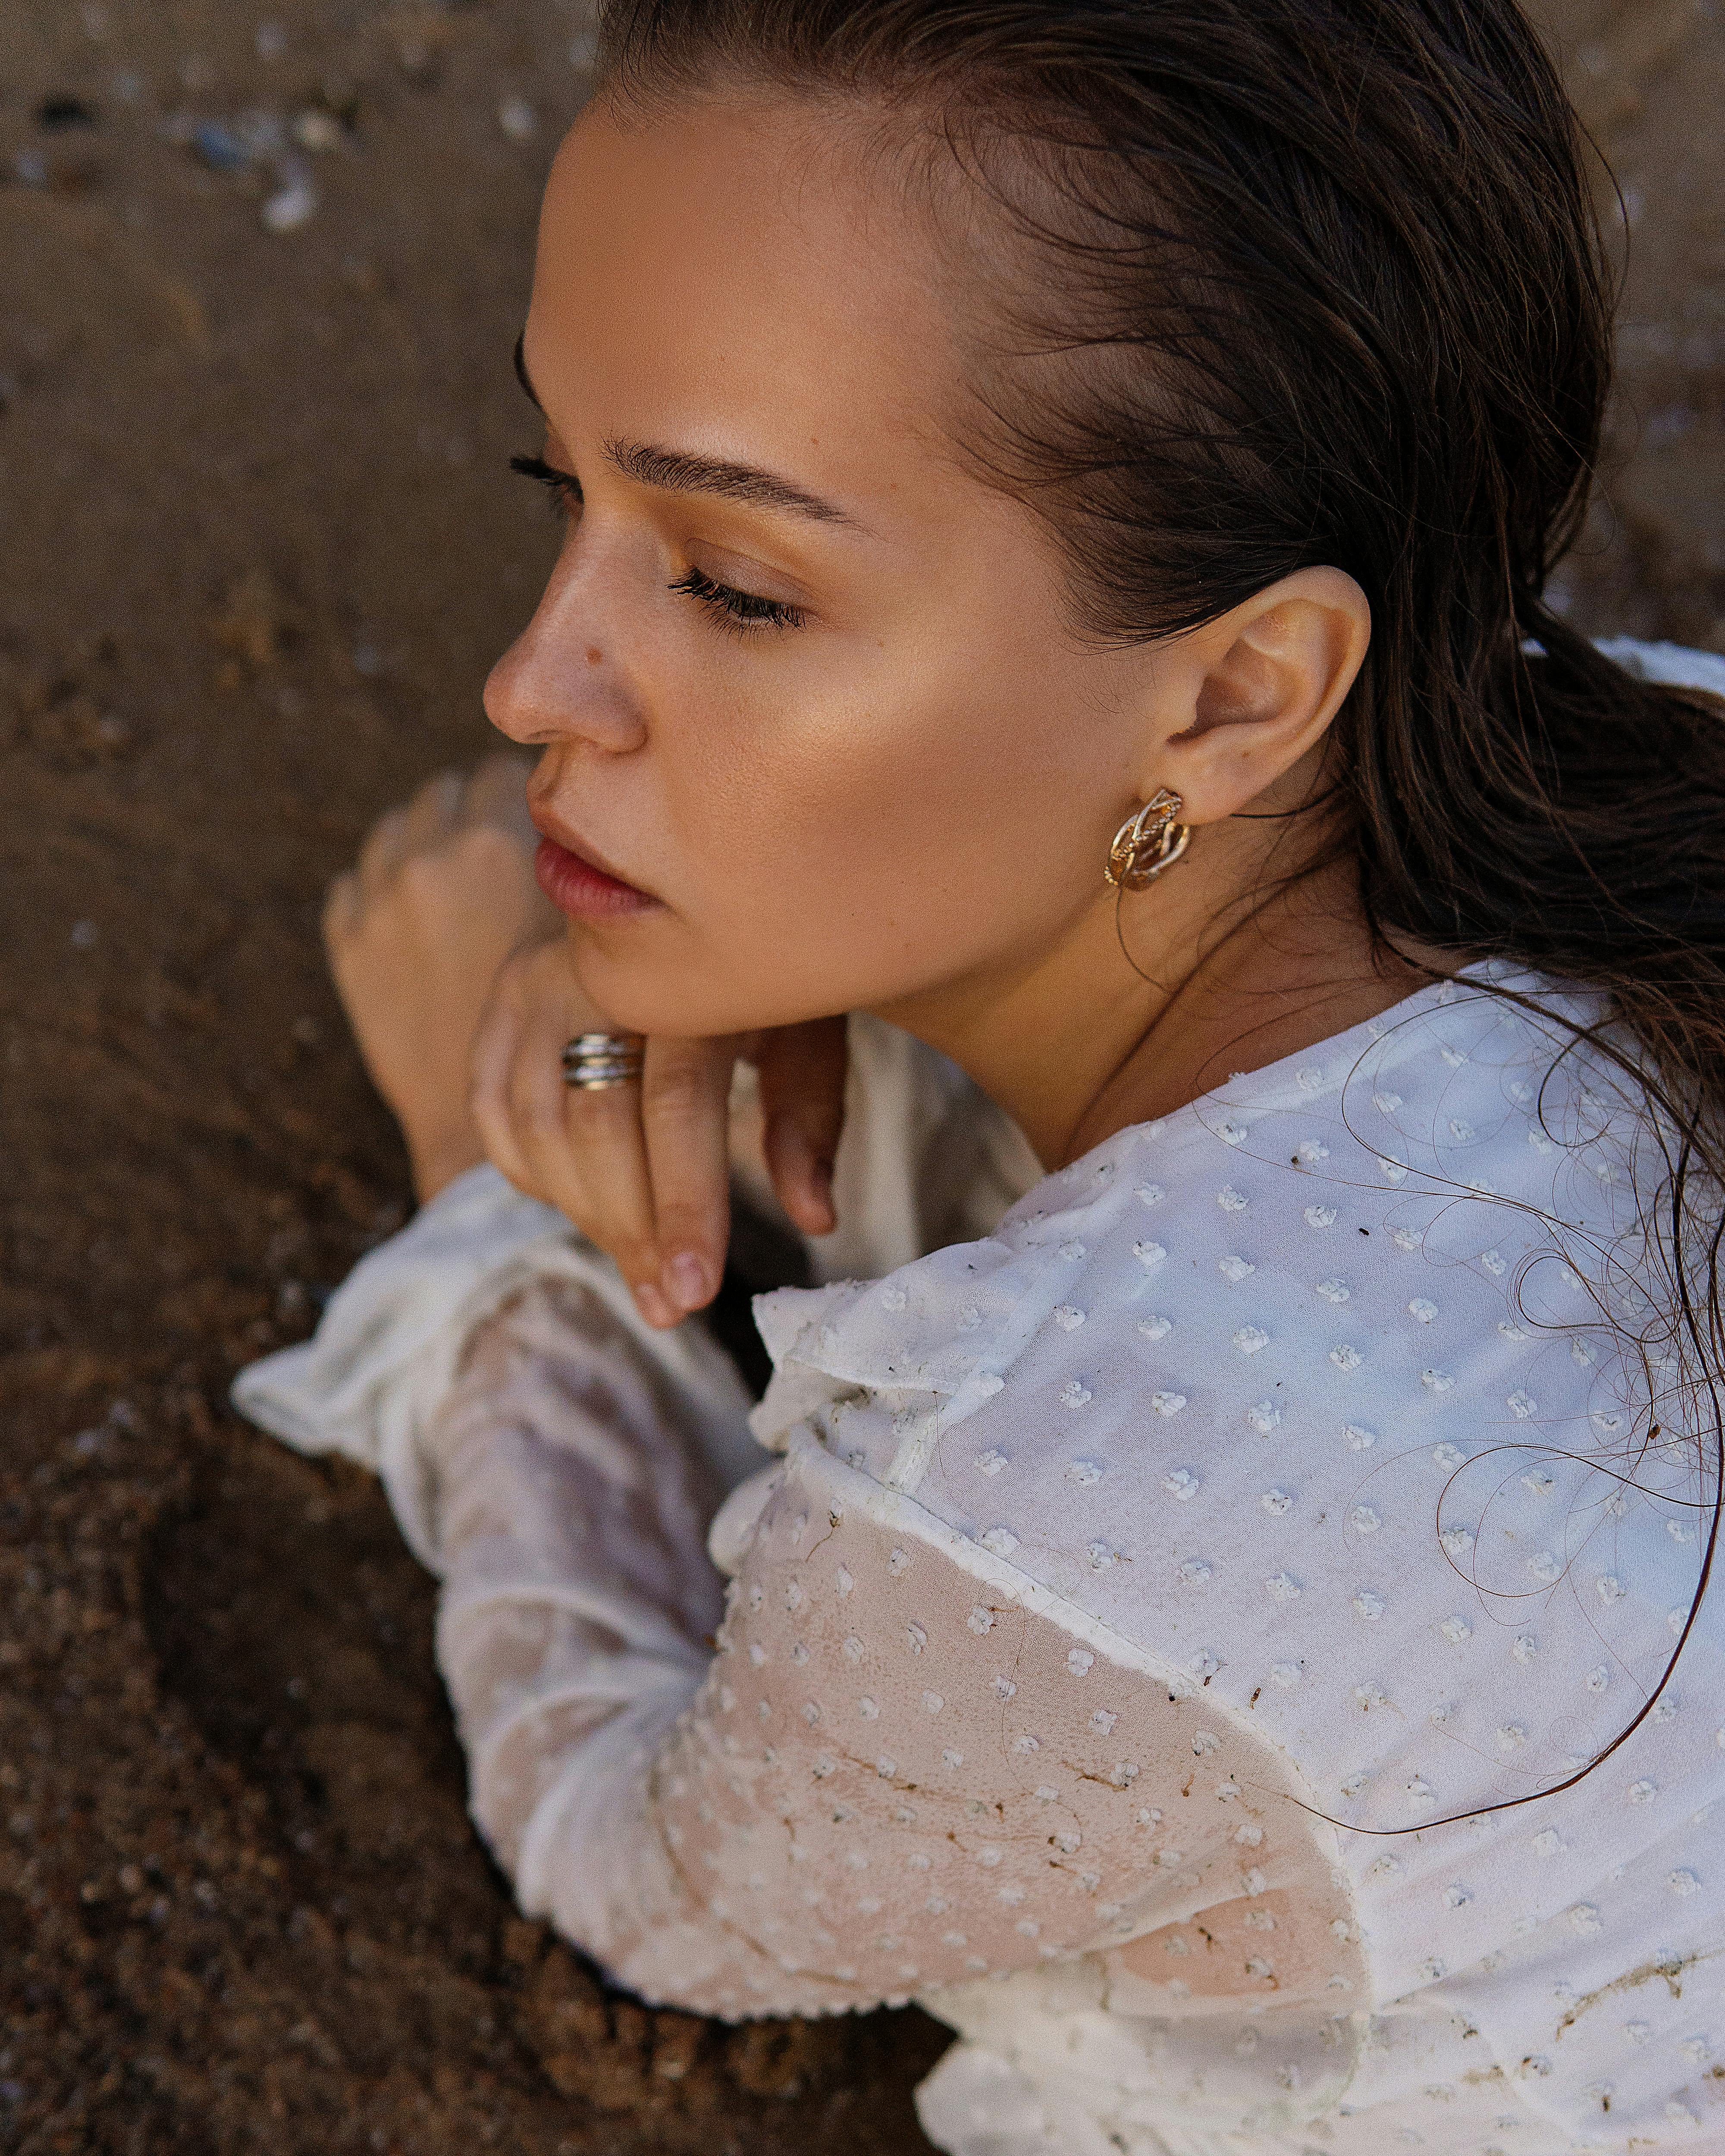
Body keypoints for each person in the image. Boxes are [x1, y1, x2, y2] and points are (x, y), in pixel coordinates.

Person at [234, 0, 1725, 2148]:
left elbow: (657, 1876)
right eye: (559, 484)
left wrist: (498, 1206)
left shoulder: (1059, 1495)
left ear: (1238, 694)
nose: (529, 679)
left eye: (737, 588)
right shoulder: (1661, 750)